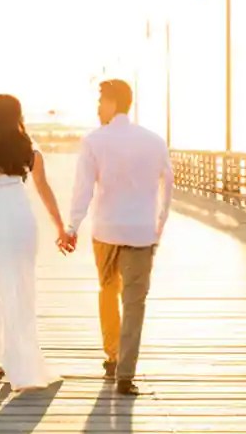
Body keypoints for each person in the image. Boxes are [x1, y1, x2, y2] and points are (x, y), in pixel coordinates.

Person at [61, 79, 173, 397]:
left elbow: (83, 189)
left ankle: (112, 355)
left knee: (108, 290)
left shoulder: (95, 141)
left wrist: (72, 226)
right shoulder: (154, 141)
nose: (98, 108)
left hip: (107, 230)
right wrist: (159, 223)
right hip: (141, 231)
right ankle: (126, 372)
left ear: (113, 103)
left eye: (101, 101)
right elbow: (169, 184)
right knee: (135, 302)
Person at [0, 94, 68, 391]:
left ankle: (1, 358)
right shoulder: (29, 150)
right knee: (21, 289)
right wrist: (60, 227)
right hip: (20, 221)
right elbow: (43, 189)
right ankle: (20, 359)